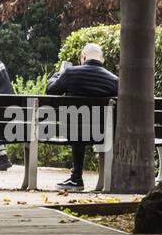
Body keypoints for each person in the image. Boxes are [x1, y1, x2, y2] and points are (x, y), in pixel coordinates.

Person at [46, 42, 119, 192]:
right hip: (103, 133)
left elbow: (50, 90)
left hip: (73, 132)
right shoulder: (114, 80)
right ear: (102, 59)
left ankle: (76, 178)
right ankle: (107, 180)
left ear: (83, 56)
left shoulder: (70, 73)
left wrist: (59, 73)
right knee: (84, 125)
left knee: (77, 125)